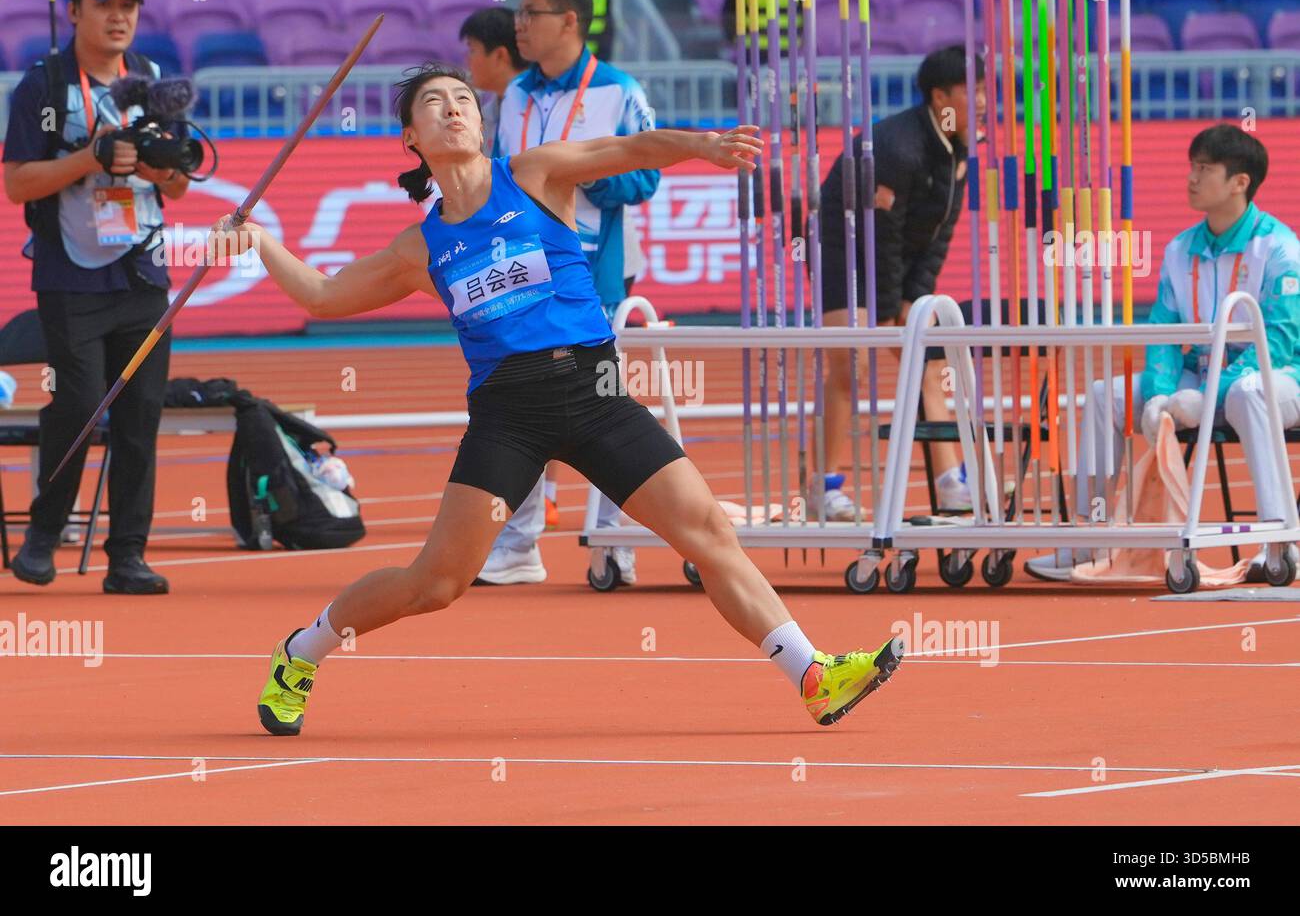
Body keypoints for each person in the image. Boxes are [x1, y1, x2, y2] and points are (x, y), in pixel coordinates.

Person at [203, 63, 904, 735]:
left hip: (597, 391)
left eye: (464, 100)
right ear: (411, 138)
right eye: (434, 103)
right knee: (436, 583)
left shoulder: (535, 174)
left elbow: (626, 146)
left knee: (709, 534)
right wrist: (260, 239)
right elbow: (323, 295)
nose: (453, 109)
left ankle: (811, 673)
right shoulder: (423, 248)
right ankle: (301, 651)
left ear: (482, 122)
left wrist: (704, 146)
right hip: (509, 413)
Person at [1026, 125, 1300, 582]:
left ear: (1240, 182)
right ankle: (1083, 541)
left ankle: (1279, 543)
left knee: (1249, 393)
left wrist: (1210, 395)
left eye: (1205, 169)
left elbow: (1280, 342)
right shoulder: (1179, 250)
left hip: (1278, 378)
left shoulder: (1281, 250)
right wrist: (1159, 394)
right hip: (1197, 379)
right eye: (1191, 167)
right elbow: (1165, 334)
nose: (1191, 178)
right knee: (1103, 394)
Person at [2, 0, 189, 594]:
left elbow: (183, 185)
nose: (119, 16)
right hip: (69, 276)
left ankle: (128, 556)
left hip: (142, 272)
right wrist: (90, 156)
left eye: (128, 6)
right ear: (74, 10)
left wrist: (157, 168)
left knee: (140, 415)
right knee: (80, 405)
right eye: (105, 4)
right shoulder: (45, 85)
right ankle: (45, 534)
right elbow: (18, 182)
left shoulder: (155, 79)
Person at [480, 0, 659, 585]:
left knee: (604, 406)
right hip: (519, 277)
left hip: (593, 274)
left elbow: (648, 174)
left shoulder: (618, 90)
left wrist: (583, 176)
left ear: (570, 22)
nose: (518, 24)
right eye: (519, 14)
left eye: (531, 13)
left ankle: (614, 540)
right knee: (515, 402)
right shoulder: (515, 95)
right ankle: (516, 545)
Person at [816, 46, 986, 520]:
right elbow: (881, 237)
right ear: (939, 97)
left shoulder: (959, 146)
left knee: (927, 355)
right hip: (845, 252)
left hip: (897, 263)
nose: (983, 101)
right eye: (972, 92)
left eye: (985, 91)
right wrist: (893, 305)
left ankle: (950, 480)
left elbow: (939, 233)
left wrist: (915, 298)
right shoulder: (897, 148)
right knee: (852, 363)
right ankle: (824, 486)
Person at [459, 7, 528, 154]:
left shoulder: (546, 108)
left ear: (499, 55)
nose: (467, 60)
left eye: (472, 50)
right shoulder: (484, 116)